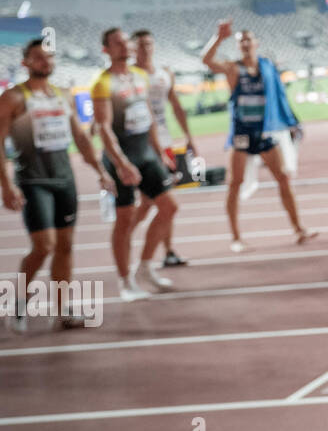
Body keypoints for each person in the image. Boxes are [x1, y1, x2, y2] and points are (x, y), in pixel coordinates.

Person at [0, 40, 114, 329]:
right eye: (38, 58)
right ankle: (19, 304)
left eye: (49, 57)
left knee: (65, 246)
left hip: (64, 179)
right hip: (33, 180)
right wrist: (6, 185)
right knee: (44, 246)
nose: (45, 62)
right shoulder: (13, 98)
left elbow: (81, 137)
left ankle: (63, 311)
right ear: (25, 62)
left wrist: (100, 170)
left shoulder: (63, 94)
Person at [201, 20, 317, 251]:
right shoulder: (233, 68)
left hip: (264, 132)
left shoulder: (266, 67)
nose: (245, 43)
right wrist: (219, 37)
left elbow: (279, 97)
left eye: (248, 39)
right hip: (242, 133)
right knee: (235, 183)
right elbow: (206, 61)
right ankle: (236, 238)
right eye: (240, 40)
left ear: (256, 43)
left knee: (283, 178)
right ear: (237, 46)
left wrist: (290, 121)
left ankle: (298, 229)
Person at [93, 28, 178, 300]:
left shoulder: (140, 76)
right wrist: (120, 163)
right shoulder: (103, 83)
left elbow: (149, 116)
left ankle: (144, 267)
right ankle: (125, 281)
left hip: (147, 153)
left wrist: (160, 152)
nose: (124, 46)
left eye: (126, 41)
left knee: (169, 207)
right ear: (106, 50)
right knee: (125, 219)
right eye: (117, 43)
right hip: (123, 158)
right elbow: (104, 128)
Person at [131, 30, 196, 266]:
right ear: (132, 48)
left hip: (166, 142)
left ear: (154, 46)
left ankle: (168, 251)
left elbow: (177, 106)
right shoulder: (129, 76)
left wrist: (189, 138)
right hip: (142, 147)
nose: (145, 48)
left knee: (167, 201)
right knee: (149, 202)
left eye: (148, 44)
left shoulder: (164, 73)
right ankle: (124, 237)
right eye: (140, 45)